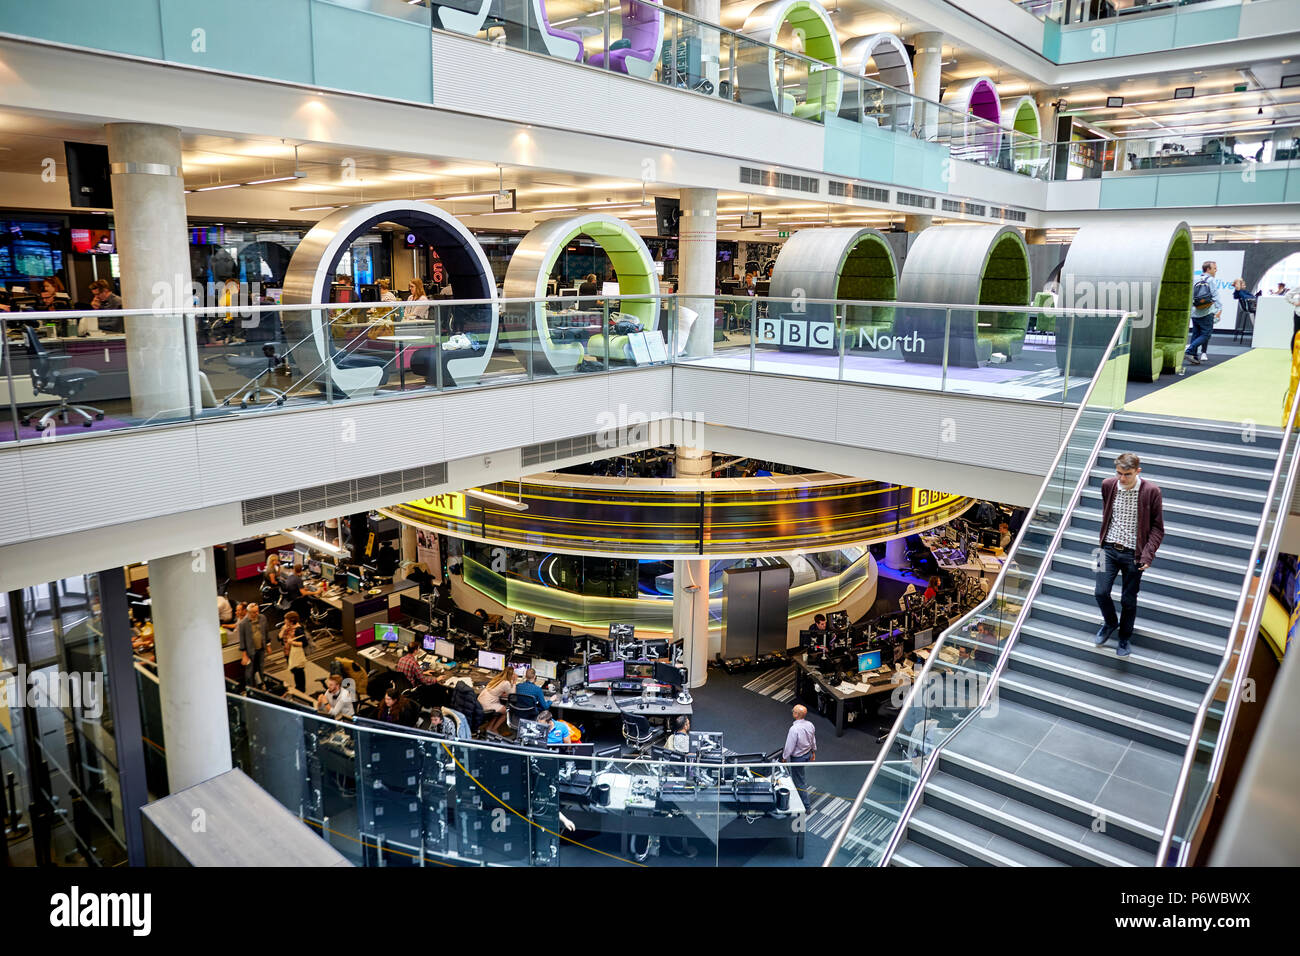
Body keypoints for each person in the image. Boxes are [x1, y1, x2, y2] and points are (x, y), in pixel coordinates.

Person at [1094, 452, 1165, 658]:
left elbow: (1158, 528)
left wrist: (1147, 555)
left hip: (1134, 554)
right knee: (1100, 592)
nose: (1122, 479)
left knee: (1128, 600)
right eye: (1119, 473)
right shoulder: (1108, 485)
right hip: (1105, 549)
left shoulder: (1151, 491)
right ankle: (1109, 623)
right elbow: (1108, 514)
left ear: (1138, 471)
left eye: (1127, 474)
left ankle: (1124, 638)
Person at [1185, 261, 1220, 365]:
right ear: (1208, 269)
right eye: (1214, 268)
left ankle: (1194, 357)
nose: (1216, 270)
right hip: (1206, 311)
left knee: (1196, 334)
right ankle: (1189, 350)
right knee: (1206, 334)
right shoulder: (1211, 280)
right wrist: (1219, 309)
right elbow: (1215, 296)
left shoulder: (1195, 279)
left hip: (1195, 311)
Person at [782, 704, 817, 793]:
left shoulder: (794, 729)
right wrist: (813, 751)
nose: (792, 712)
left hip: (798, 758)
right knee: (800, 774)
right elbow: (813, 739)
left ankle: (806, 805)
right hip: (807, 754)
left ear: (797, 715)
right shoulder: (810, 724)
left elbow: (789, 746)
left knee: (799, 782)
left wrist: (784, 757)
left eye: (793, 711)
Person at [238, 603, 269, 689]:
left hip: (261, 648)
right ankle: (250, 688)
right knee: (250, 670)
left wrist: (268, 644)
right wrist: (244, 655)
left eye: (257, 611)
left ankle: (261, 684)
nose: (256, 613)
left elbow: (266, 631)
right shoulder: (243, 624)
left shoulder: (262, 618)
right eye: (254, 612)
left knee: (261, 667)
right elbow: (242, 640)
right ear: (248, 612)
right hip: (250, 651)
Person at [478, 668, 516, 735]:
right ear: (511, 675)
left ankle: (489, 727)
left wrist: (501, 693)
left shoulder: (497, 678)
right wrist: (514, 681)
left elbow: (496, 690)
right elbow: (512, 694)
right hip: (488, 703)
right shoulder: (506, 683)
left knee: (498, 711)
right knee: (507, 711)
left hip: (482, 699)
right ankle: (494, 729)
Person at [280, 611, 311, 693]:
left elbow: (304, 643)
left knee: (298, 671)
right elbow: (279, 638)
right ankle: (298, 687)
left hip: (295, 654)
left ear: (291, 620)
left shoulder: (298, 630)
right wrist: (283, 630)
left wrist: (292, 642)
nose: (284, 621)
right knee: (293, 670)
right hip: (288, 653)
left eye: (286, 619)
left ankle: (301, 689)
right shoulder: (286, 627)